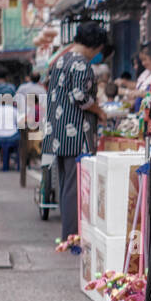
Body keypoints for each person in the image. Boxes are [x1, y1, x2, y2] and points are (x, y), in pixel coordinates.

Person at [42, 21, 107, 240]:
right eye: (98, 49)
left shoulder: (62, 59)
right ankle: (72, 237)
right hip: (76, 134)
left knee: (66, 185)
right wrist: (100, 111)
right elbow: (80, 97)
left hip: (58, 134)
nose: (98, 54)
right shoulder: (80, 63)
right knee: (74, 186)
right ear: (94, 45)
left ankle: (69, 234)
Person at [15, 70, 46, 167]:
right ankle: (30, 158)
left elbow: (16, 102)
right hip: (36, 119)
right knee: (32, 138)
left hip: (23, 118)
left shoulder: (22, 87)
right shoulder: (42, 90)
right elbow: (44, 105)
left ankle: (24, 159)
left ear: (29, 77)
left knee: (24, 139)